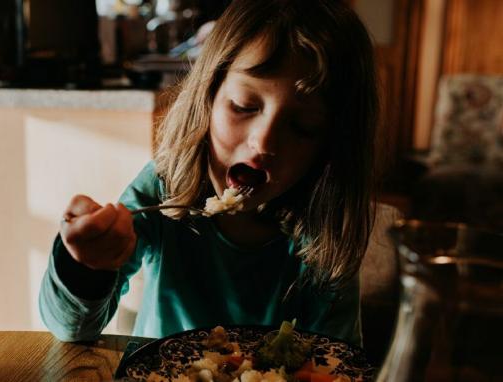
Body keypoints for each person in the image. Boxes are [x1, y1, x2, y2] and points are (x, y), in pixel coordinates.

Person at [39, 0, 378, 348]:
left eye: (303, 126)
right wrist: (86, 269)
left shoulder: (325, 233)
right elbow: (72, 329)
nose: (263, 142)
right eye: (244, 105)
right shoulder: (164, 187)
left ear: (332, 147)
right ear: (209, 95)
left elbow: (339, 360)